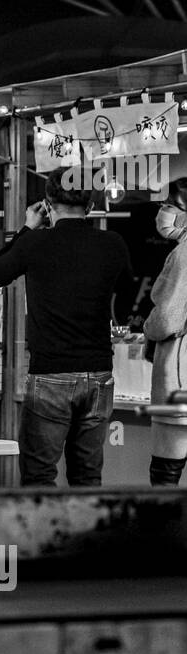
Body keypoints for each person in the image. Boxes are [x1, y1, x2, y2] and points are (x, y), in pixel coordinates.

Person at [0, 171, 131, 487]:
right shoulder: (113, 244)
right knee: (88, 475)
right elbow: (128, 302)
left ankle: (45, 536)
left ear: (47, 204)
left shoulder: (36, 242)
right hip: (98, 375)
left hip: (50, 375)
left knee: (39, 475)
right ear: (90, 204)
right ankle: (85, 537)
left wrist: (26, 227)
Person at [144, 179, 187, 485]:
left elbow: (167, 320)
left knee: (166, 475)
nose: (163, 212)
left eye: (170, 206)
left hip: (180, 380)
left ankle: (164, 533)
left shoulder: (183, 255)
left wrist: (148, 326)